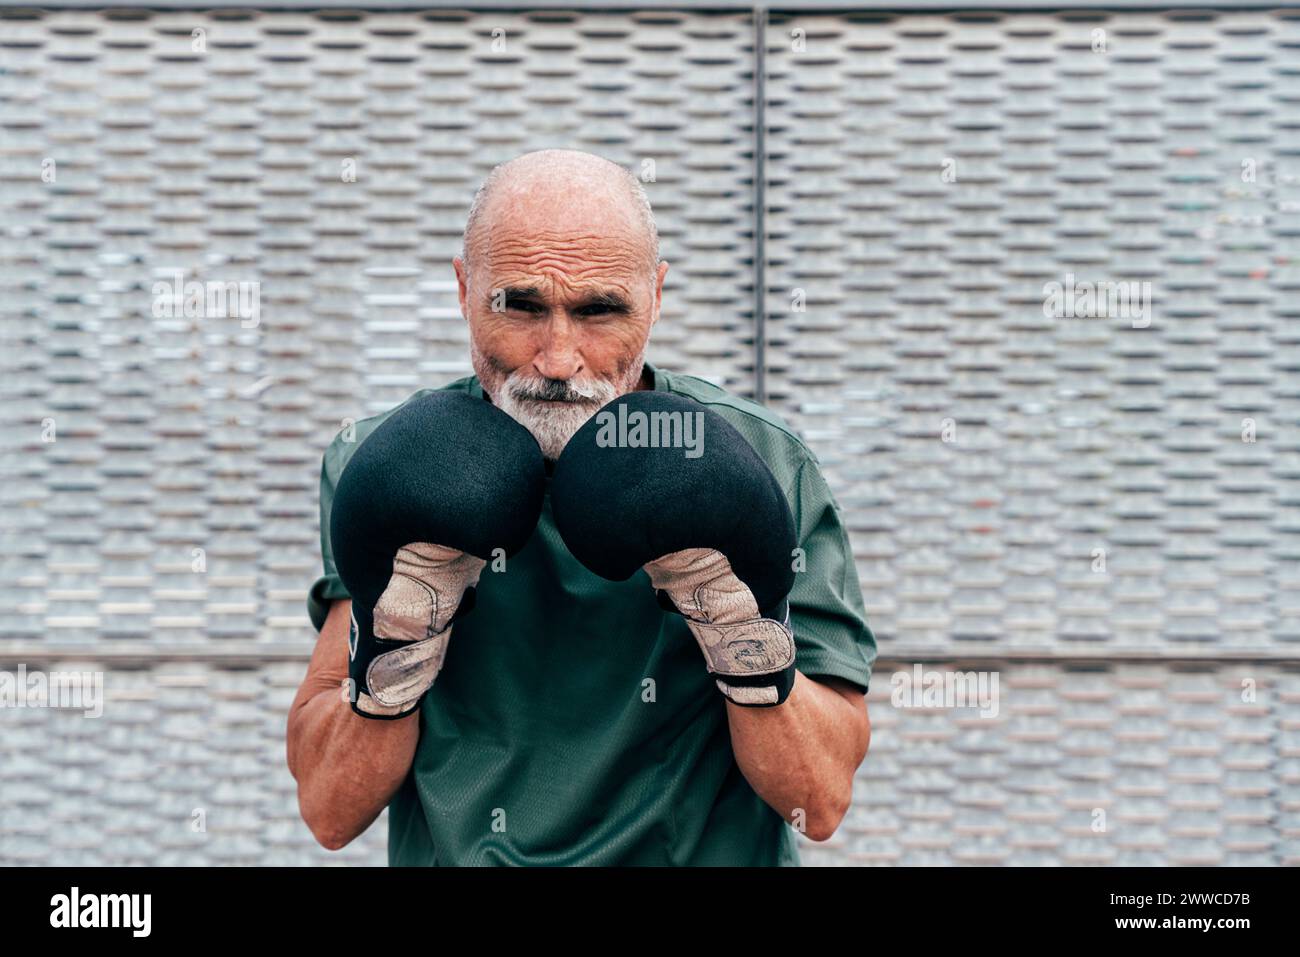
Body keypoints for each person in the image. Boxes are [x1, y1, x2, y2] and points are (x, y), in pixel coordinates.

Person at [286, 149, 876, 865]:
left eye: (599, 310)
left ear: (655, 299)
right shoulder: (386, 464)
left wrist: (740, 635)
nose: (559, 358)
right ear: (464, 289)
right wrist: (396, 647)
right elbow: (328, 807)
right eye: (522, 306)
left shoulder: (766, 462)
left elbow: (818, 799)